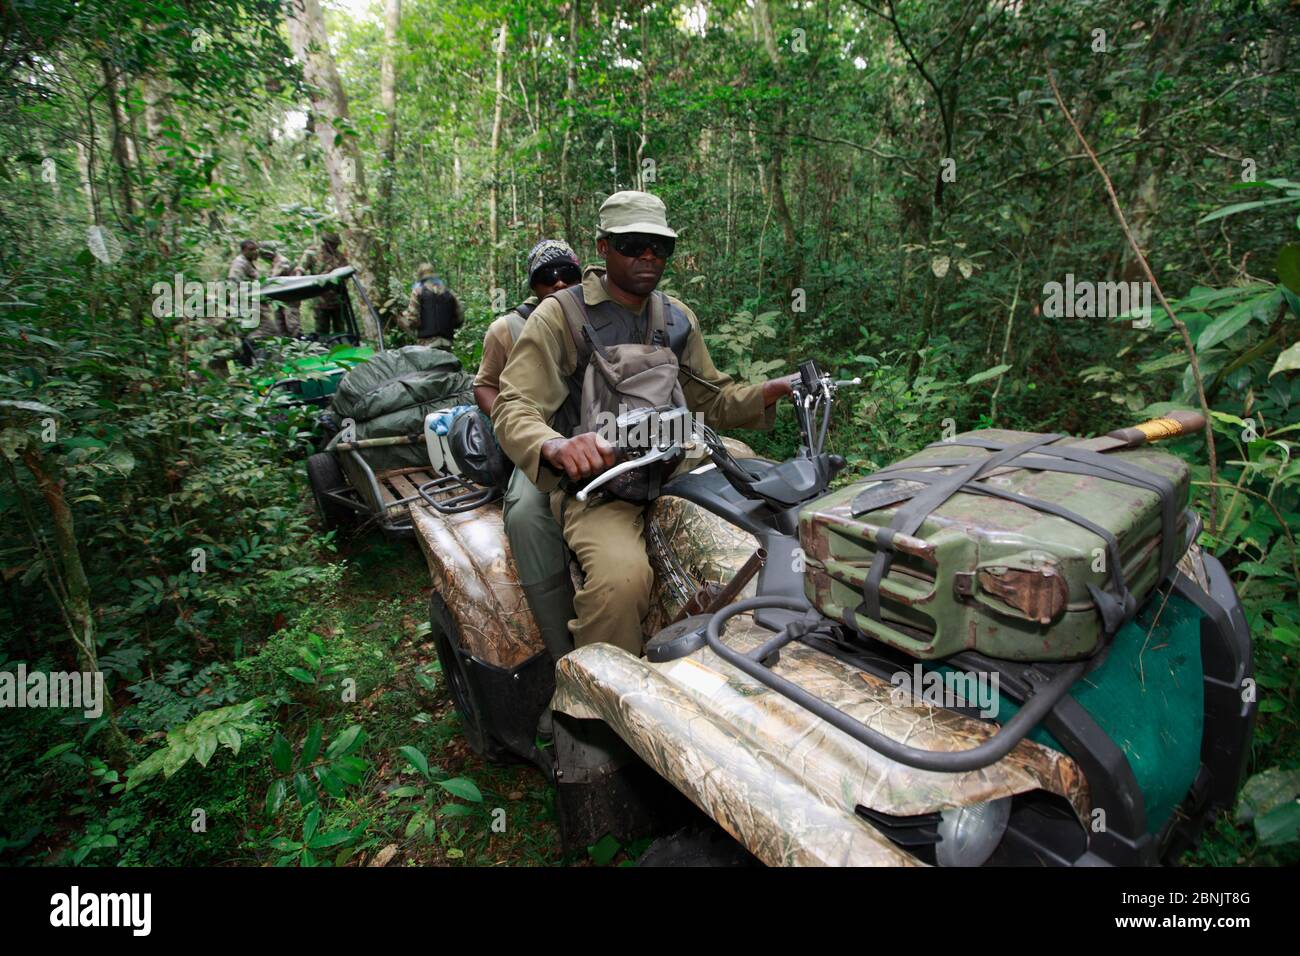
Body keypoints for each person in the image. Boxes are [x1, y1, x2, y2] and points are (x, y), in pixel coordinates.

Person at [493, 191, 796, 656]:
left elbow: (710, 400)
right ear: (604, 248)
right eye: (634, 244)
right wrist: (555, 446)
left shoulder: (675, 318)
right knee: (621, 581)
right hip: (602, 484)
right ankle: (599, 706)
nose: (649, 256)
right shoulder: (561, 316)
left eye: (660, 247)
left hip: (676, 459)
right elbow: (513, 403)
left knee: (772, 507)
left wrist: (766, 393)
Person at [473, 239, 581, 663]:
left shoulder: (600, 313)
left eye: (566, 275)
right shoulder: (508, 329)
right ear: (533, 285)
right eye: (545, 277)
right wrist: (514, 426)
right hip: (544, 438)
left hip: (608, 430)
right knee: (525, 515)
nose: (557, 283)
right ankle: (563, 655)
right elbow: (485, 384)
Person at [399, 263, 463, 348]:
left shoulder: (418, 291)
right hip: (447, 342)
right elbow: (460, 318)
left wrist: (403, 318)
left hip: (426, 343)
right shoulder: (450, 293)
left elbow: (413, 319)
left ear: (420, 276)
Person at [299, 233, 347, 337]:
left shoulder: (339, 256)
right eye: (332, 244)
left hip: (337, 299)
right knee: (322, 329)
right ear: (326, 243)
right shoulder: (312, 253)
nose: (335, 247)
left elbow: (345, 274)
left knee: (340, 329)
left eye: (336, 245)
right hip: (320, 299)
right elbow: (300, 270)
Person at [227, 239, 271, 338]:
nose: (255, 252)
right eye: (251, 249)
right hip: (244, 305)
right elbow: (233, 284)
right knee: (265, 330)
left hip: (252, 304)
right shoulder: (239, 263)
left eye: (256, 249)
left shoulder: (248, 263)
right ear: (244, 251)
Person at [260, 240, 301, 336]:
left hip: (291, 297)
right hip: (280, 298)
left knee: (293, 325)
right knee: (280, 325)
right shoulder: (274, 262)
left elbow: (272, 278)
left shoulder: (282, 261)